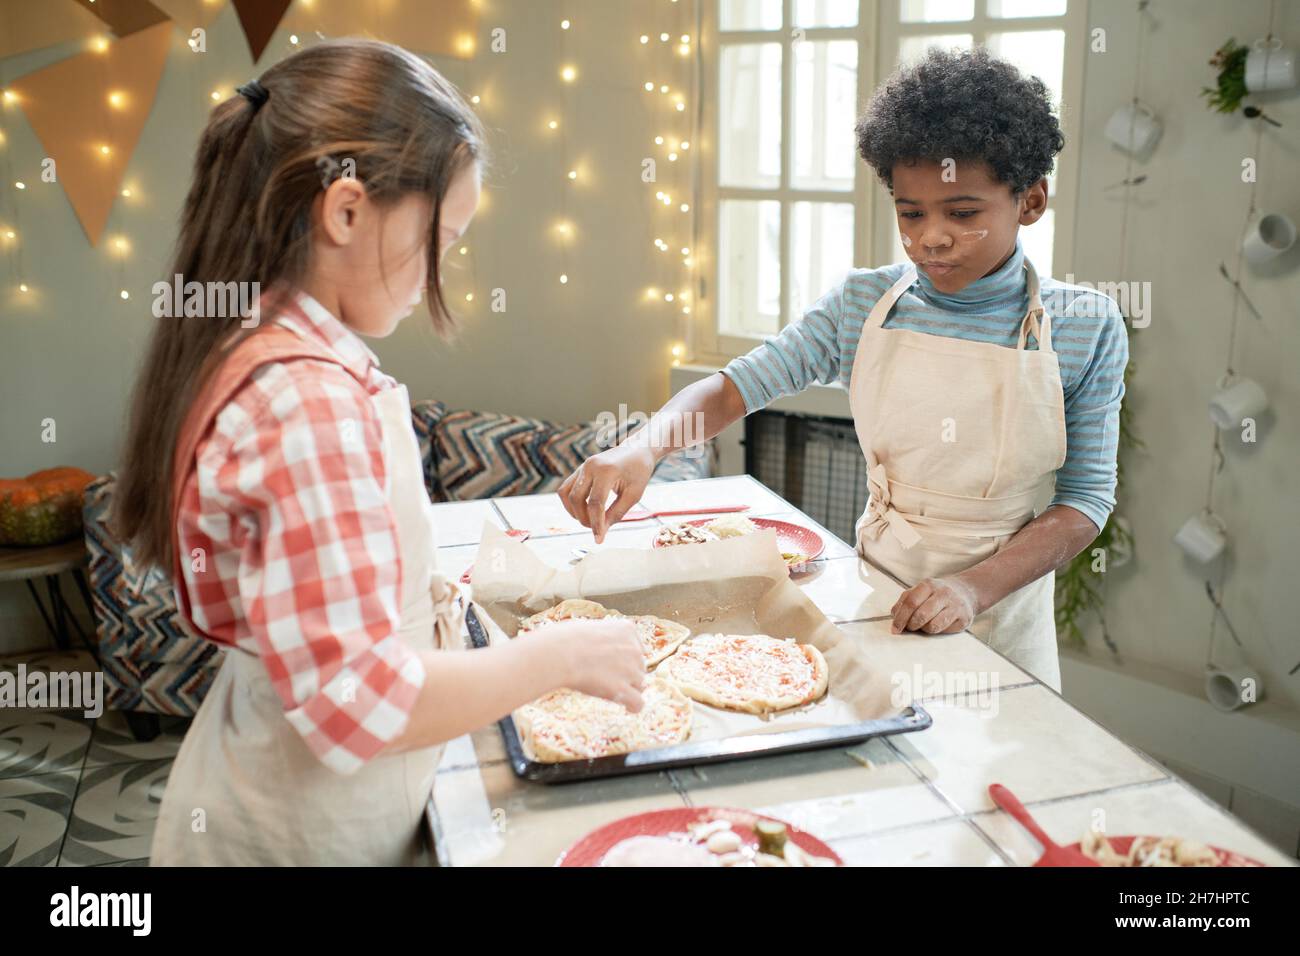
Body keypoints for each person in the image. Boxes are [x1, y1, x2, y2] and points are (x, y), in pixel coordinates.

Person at [114, 39, 644, 865]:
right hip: (296, 830)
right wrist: (558, 657)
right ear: (348, 211)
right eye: (447, 237)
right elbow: (357, 702)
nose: (448, 267)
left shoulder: (270, 347)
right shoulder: (304, 402)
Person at [560, 48, 1129, 692]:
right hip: (879, 595)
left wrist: (973, 588)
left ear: (1030, 201)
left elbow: (1085, 500)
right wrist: (643, 446)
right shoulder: (864, 302)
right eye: (910, 212)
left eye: (962, 213)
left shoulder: (1086, 324)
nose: (929, 238)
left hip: (1003, 612)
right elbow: (739, 384)